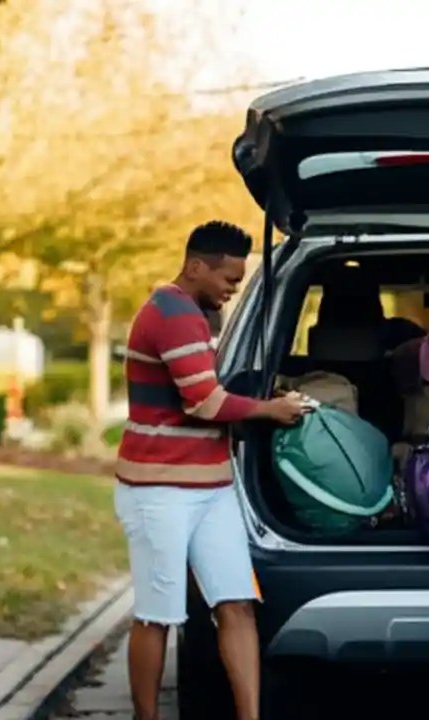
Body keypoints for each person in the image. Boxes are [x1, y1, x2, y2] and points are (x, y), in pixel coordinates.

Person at [115, 220, 308, 720]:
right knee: (158, 614)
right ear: (196, 266)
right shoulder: (173, 314)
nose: (232, 291)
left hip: (211, 487)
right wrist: (271, 409)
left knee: (237, 603)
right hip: (159, 490)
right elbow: (202, 402)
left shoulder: (191, 314)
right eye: (228, 280)